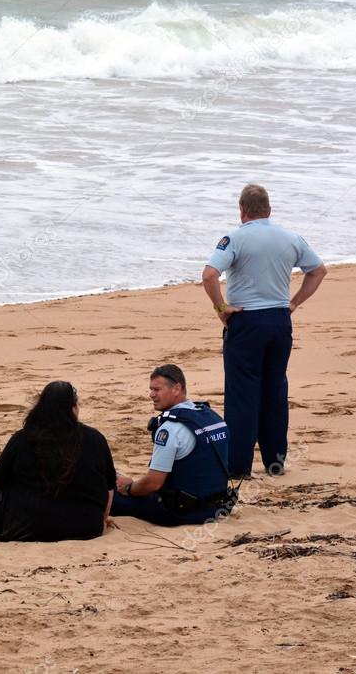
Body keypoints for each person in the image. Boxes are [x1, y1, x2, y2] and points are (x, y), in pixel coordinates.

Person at [202, 184, 327, 478]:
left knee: (242, 392)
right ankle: (275, 461)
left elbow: (209, 275)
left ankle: (238, 467)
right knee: (274, 389)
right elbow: (318, 270)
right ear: (269, 210)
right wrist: (294, 302)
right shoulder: (290, 237)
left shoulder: (235, 237)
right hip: (279, 320)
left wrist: (221, 308)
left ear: (242, 210)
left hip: (246, 321)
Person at [0, 381, 116, 542]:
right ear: (74, 408)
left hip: (24, 527)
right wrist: (102, 518)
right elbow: (110, 487)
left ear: (41, 408)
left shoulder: (22, 438)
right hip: (87, 528)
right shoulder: (95, 439)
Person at [112, 365, 236, 526]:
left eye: (157, 389)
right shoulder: (213, 417)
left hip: (180, 512)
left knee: (107, 494)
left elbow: (153, 483)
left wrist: (129, 487)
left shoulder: (170, 429)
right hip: (216, 507)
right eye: (151, 389)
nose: (151, 395)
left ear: (177, 388)